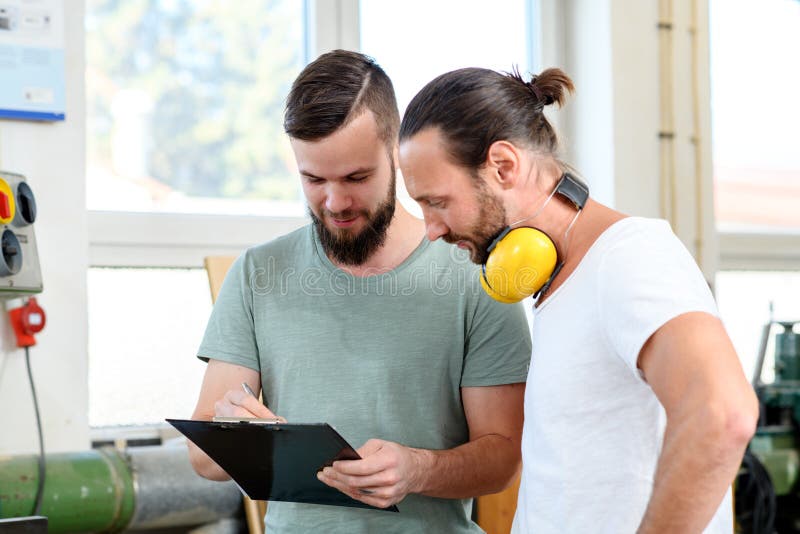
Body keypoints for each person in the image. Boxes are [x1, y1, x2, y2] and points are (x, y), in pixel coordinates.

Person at [397, 66, 759, 533]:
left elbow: (722, 413)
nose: (432, 230)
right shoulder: (565, 278)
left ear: (504, 166)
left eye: (438, 202)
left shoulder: (630, 256)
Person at [187, 50, 532, 533]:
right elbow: (203, 460)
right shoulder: (257, 273)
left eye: (356, 178)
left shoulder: (475, 274)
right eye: (313, 179)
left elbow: (502, 459)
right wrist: (231, 433)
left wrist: (418, 469)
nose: (335, 202)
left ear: (396, 154)